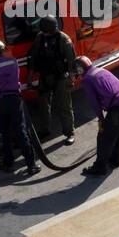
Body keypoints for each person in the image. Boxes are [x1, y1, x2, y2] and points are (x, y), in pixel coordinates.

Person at [0, 39, 37, 176]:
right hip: (15, 100)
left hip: (1, 102)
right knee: (21, 131)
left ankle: (8, 163)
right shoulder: (13, 61)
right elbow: (17, 77)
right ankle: (31, 165)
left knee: (5, 133)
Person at [76, 56, 119, 177]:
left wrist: (101, 120)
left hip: (117, 109)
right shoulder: (101, 70)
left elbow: (94, 102)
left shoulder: (88, 79)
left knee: (104, 137)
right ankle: (115, 160)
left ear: (80, 70)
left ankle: (100, 168)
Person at [27, 15, 76, 144]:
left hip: (60, 77)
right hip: (45, 76)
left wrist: (71, 79)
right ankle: (44, 129)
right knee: (43, 105)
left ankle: (69, 132)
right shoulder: (40, 37)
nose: (46, 33)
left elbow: (71, 62)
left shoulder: (64, 39)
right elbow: (34, 57)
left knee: (64, 105)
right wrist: (30, 75)